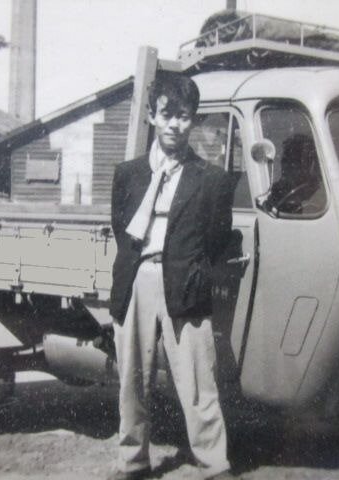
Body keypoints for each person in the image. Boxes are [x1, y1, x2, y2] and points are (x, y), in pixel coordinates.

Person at [108, 71, 235, 480]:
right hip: (136, 282)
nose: (175, 125)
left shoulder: (211, 180)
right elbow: (121, 230)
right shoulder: (127, 174)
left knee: (198, 382)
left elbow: (216, 239)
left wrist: (190, 270)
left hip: (185, 285)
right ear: (151, 116)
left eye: (184, 116)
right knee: (132, 380)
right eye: (167, 115)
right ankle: (132, 462)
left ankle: (214, 463)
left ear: (193, 120)